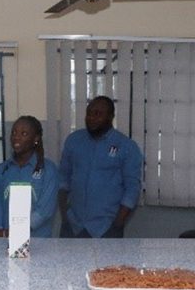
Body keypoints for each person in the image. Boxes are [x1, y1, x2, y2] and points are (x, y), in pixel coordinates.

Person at [58, 95, 143, 238]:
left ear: (110, 117)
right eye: (89, 113)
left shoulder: (127, 147)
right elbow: (63, 179)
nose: (92, 118)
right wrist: (65, 214)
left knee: (108, 262)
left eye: (98, 114)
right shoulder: (74, 141)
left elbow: (132, 189)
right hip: (73, 225)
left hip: (106, 227)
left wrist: (117, 223)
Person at [0, 115, 59, 237]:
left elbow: (44, 211)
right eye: (14, 132)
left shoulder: (48, 170)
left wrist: (13, 233)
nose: (16, 137)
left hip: (38, 242)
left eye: (24, 133)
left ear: (36, 138)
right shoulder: (1, 170)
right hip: (5, 242)